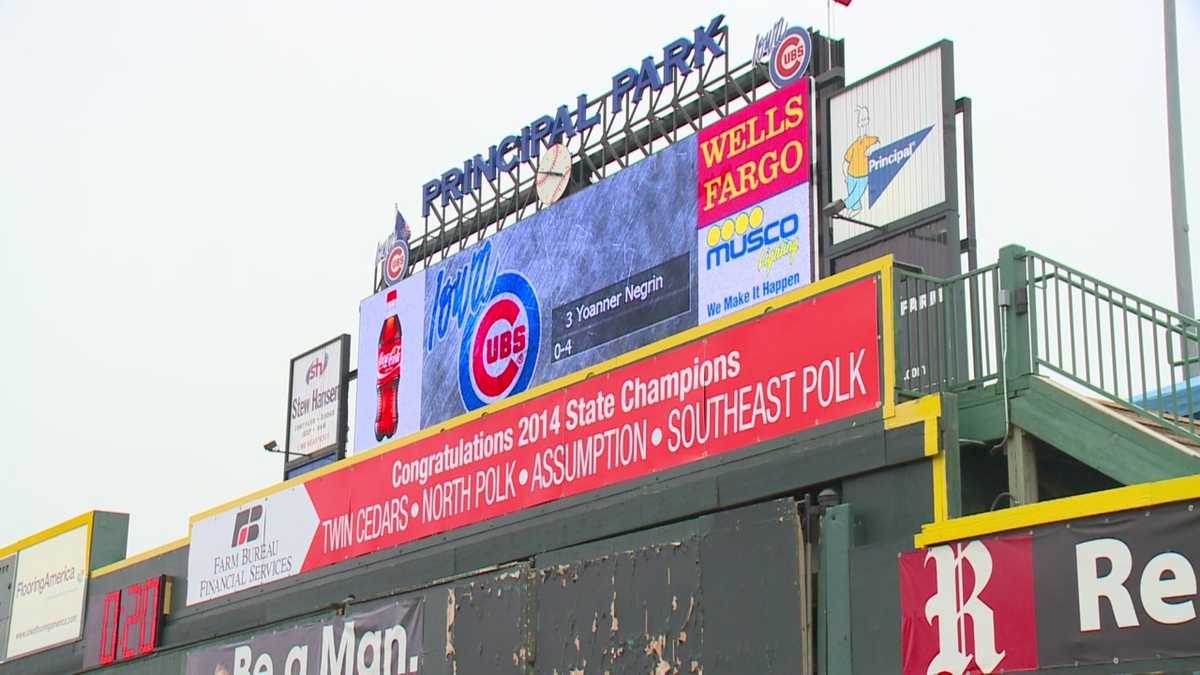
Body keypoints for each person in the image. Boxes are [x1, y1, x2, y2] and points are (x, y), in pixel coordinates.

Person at [842, 105, 879, 215]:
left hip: (863, 176)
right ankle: (855, 208)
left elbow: (878, 144)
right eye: (862, 120)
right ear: (858, 123)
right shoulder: (855, 145)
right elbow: (845, 161)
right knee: (855, 200)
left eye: (865, 119)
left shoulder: (870, 140)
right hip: (851, 176)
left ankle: (842, 206)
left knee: (854, 195)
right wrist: (845, 176)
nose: (864, 122)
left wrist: (872, 149)